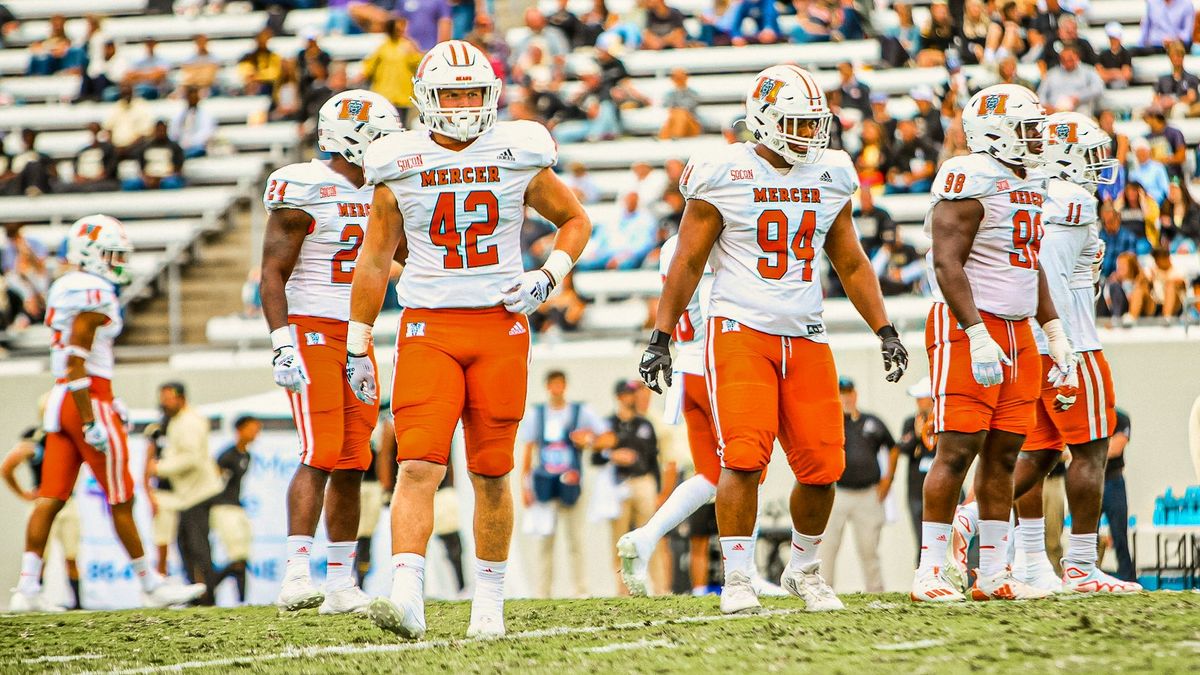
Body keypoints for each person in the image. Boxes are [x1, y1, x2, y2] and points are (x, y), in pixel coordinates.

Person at [640, 65, 909, 615]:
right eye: (798, 124)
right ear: (763, 120)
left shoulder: (830, 173)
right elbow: (687, 262)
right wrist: (660, 336)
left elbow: (851, 261)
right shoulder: (723, 172)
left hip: (806, 332)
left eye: (814, 124)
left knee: (825, 467)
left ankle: (802, 568)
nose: (810, 134)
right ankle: (738, 577)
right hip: (739, 329)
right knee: (742, 458)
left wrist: (884, 328)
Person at [348, 40, 591, 639]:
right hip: (428, 327)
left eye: (473, 93)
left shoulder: (518, 151)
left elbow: (575, 220)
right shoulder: (398, 160)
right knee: (416, 465)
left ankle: (489, 601)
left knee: (491, 471)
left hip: (499, 327)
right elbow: (374, 259)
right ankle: (407, 594)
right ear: (427, 99)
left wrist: (548, 276)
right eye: (451, 94)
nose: (463, 105)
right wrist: (358, 341)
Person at [911, 84, 1071, 603]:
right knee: (956, 450)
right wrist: (976, 332)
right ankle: (930, 570)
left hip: (1018, 329)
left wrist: (1053, 330)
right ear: (995, 132)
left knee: (1004, 455)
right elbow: (946, 262)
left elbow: (1028, 264)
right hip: (968, 326)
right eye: (1027, 129)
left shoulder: (1029, 181)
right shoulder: (970, 175)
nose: (1037, 138)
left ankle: (993, 572)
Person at [10, 215, 204, 613]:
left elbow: (73, 361)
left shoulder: (69, 286)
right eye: (112, 254)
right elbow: (77, 361)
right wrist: (91, 417)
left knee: (50, 497)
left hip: (64, 399)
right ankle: (151, 584)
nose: (119, 262)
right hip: (86, 399)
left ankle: (26, 589)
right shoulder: (93, 292)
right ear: (90, 254)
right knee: (122, 497)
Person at [260, 89, 400, 615]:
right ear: (352, 138)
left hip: (357, 331)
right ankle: (296, 574)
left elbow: (403, 255)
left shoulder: (382, 189)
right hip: (310, 327)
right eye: (381, 136)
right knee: (319, 449)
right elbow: (272, 272)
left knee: (353, 459)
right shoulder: (305, 186)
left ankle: (341, 582)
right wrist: (281, 342)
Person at [997, 112, 1140, 594]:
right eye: (1091, 154)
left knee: (1037, 453)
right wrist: (1061, 345)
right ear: (1066, 156)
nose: (1100, 164)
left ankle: (985, 529)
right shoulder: (1071, 200)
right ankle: (1080, 564)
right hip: (1069, 342)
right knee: (1092, 450)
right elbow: (1053, 279)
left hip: (1030, 343)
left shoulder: (1033, 194)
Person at [519, 370, 608, 598]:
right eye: (553, 384)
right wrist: (525, 486)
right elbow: (528, 450)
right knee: (545, 540)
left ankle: (580, 589)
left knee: (575, 539)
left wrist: (588, 440)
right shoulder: (537, 414)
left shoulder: (581, 412)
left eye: (560, 384)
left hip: (571, 482)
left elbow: (606, 437)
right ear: (548, 387)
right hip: (545, 485)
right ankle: (543, 591)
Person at [820, 377, 897, 593]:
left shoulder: (872, 422)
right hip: (837, 492)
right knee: (827, 546)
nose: (845, 398)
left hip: (868, 493)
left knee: (869, 547)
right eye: (841, 394)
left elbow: (893, 447)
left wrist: (888, 479)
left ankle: (876, 592)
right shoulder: (830, 422)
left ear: (855, 395)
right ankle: (824, 589)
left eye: (848, 393)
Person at [2, 403, 83, 609]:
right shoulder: (36, 438)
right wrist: (23, 494)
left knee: (72, 555)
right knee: (41, 555)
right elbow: (7, 466)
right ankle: (32, 595)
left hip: (68, 501)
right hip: (44, 501)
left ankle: (78, 604)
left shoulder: (70, 436)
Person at [154, 382, 223, 605]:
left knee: (197, 546)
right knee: (186, 545)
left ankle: (206, 596)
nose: (164, 403)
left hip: (199, 493)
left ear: (182, 398)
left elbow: (191, 458)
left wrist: (159, 468)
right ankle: (197, 593)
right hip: (187, 494)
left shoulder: (190, 421)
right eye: (162, 398)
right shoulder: (177, 421)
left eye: (168, 398)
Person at [211, 415, 260, 605]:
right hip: (223, 507)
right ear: (240, 429)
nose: (255, 433)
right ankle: (208, 586)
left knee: (243, 554)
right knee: (236, 555)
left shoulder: (246, 456)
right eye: (252, 428)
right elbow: (215, 481)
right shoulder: (227, 456)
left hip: (236, 506)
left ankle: (242, 600)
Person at [898, 376, 935, 561]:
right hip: (916, 490)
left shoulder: (942, 422)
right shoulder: (910, 422)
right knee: (922, 540)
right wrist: (917, 434)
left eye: (922, 398)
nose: (918, 402)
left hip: (939, 486)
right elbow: (903, 448)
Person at [361, 18, 425, 124]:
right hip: (384, 95)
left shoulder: (408, 46)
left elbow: (418, 64)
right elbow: (369, 67)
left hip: (402, 96)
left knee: (401, 125)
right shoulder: (383, 47)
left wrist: (414, 49)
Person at [1102, 408, 1135, 581]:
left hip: (1113, 481)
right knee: (1087, 534)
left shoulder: (1120, 418)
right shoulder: (1089, 418)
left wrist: (1089, 450)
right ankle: (1088, 574)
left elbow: (1115, 449)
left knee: (1119, 534)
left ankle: (1127, 578)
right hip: (1090, 481)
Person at [1038, 45, 1103, 116]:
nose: (1067, 62)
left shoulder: (1088, 71)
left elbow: (1098, 89)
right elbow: (1041, 93)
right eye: (1063, 59)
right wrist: (1046, 106)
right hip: (1054, 112)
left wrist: (1078, 97)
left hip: (1079, 110)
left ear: (1077, 57)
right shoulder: (1052, 74)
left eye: (1070, 59)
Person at [122, 121, 185, 191]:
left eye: (162, 130)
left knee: (172, 184)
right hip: (148, 178)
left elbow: (178, 168)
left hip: (166, 177)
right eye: (159, 130)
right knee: (129, 184)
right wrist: (147, 178)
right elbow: (141, 167)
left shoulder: (175, 147)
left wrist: (160, 178)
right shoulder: (145, 147)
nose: (161, 132)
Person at [63, 123, 119, 193]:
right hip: (84, 183)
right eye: (91, 132)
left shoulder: (108, 150)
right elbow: (76, 172)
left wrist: (97, 177)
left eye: (95, 132)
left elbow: (109, 170)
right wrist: (80, 178)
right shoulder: (82, 151)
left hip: (102, 182)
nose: (93, 135)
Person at [169, 87, 217, 159]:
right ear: (187, 98)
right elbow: (173, 132)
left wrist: (191, 142)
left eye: (195, 98)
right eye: (190, 97)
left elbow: (207, 133)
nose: (192, 100)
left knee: (199, 150)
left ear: (198, 99)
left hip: (198, 146)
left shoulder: (206, 115)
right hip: (181, 145)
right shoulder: (178, 115)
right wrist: (180, 142)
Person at [660, 68, 703, 140]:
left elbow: (687, 107)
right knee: (675, 115)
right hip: (673, 121)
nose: (679, 79)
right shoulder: (669, 94)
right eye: (676, 77)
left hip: (691, 125)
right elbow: (667, 106)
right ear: (672, 79)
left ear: (686, 77)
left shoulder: (693, 93)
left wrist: (676, 108)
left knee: (681, 113)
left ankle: (672, 135)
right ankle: (670, 135)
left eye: (681, 76)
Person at [1096, 22, 1133, 89]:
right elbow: (1099, 74)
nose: (1113, 41)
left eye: (1115, 39)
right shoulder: (1103, 54)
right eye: (1111, 38)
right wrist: (1117, 73)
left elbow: (1126, 75)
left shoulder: (1126, 54)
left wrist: (1107, 73)